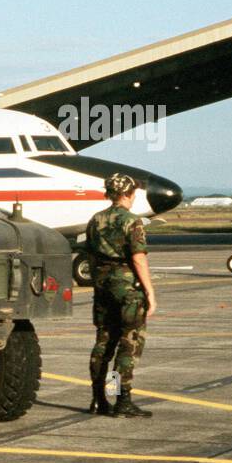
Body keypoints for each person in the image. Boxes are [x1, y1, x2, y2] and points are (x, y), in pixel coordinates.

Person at [86, 172, 157, 418]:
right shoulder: (132, 221)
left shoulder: (95, 220)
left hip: (103, 287)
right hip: (127, 290)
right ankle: (122, 399)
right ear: (128, 194)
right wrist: (149, 291)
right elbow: (138, 258)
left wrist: (100, 283)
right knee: (128, 344)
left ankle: (98, 399)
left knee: (104, 344)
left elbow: (91, 257)